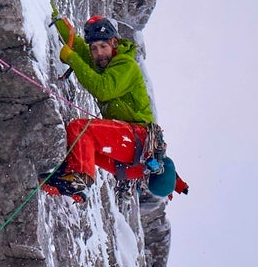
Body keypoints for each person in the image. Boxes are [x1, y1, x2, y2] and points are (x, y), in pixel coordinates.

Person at [42, 14, 188, 202]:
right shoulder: (103, 63)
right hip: (131, 163)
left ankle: (78, 180)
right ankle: (67, 180)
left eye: (103, 46)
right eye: (94, 49)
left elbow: (104, 89)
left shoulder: (126, 65)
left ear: (114, 43)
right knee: (81, 145)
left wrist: (72, 59)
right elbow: (78, 46)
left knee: (80, 130)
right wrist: (52, 12)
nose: (98, 53)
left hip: (137, 140)